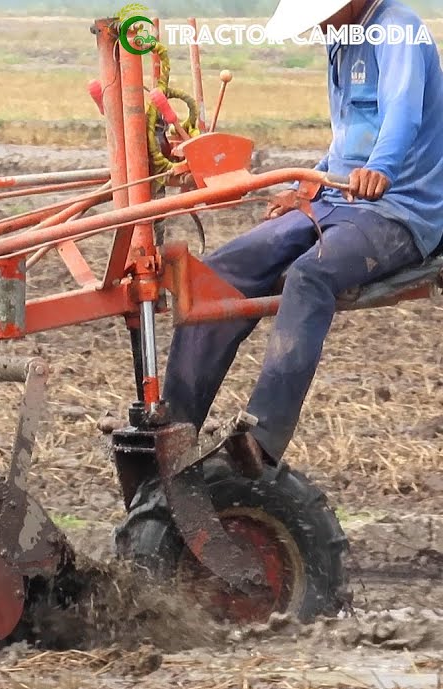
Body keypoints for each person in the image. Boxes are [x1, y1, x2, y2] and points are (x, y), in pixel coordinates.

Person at [163, 0, 443, 470]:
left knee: (309, 275)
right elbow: (348, 137)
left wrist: (380, 168)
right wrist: (304, 186)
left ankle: (263, 438)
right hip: (337, 198)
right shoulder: (343, 39)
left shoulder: (398, 31)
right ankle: (173, 427)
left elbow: (401, 116)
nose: (318, 23)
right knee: (223, 271)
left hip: (399, 209)